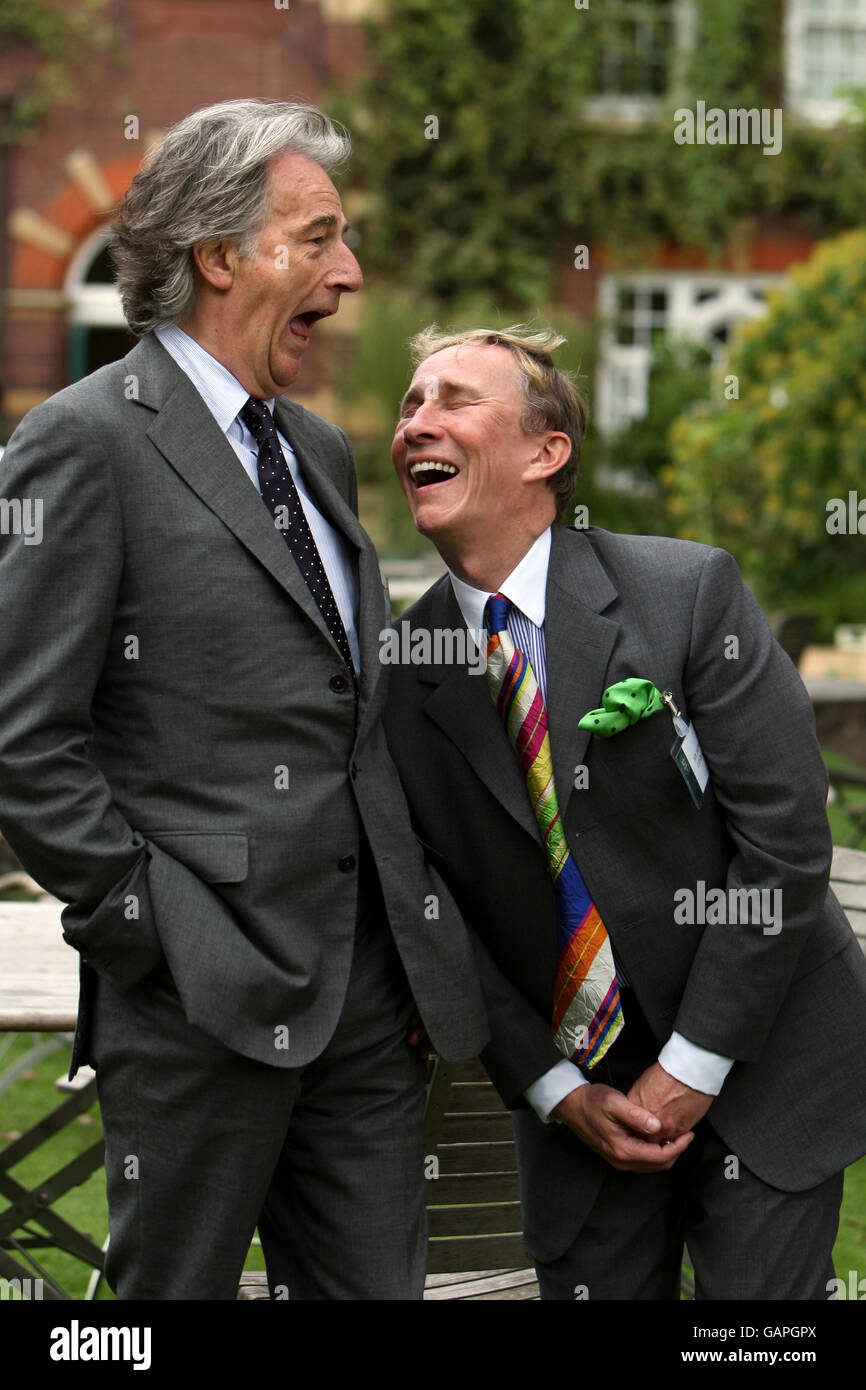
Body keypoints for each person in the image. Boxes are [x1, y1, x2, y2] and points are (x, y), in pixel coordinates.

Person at [0, 100, 486, 1301]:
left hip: (368, 1003)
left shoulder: (314, 448)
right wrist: (146, 927)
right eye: (316, 237)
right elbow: (23, 737)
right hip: (196, 1000)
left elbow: (338, 701)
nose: (350, 272)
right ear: (220, 256)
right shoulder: (82, 442)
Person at [383, 324, 866, 1300]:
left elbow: (781, 845)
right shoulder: (397, 674)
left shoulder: (684, 594)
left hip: (763, 1055)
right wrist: (558, 1091)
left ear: (544, 450)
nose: (415, 424)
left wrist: (691, 1063)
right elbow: (431, 911)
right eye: (407, 403)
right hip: (579, 1109)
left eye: (451, 399)